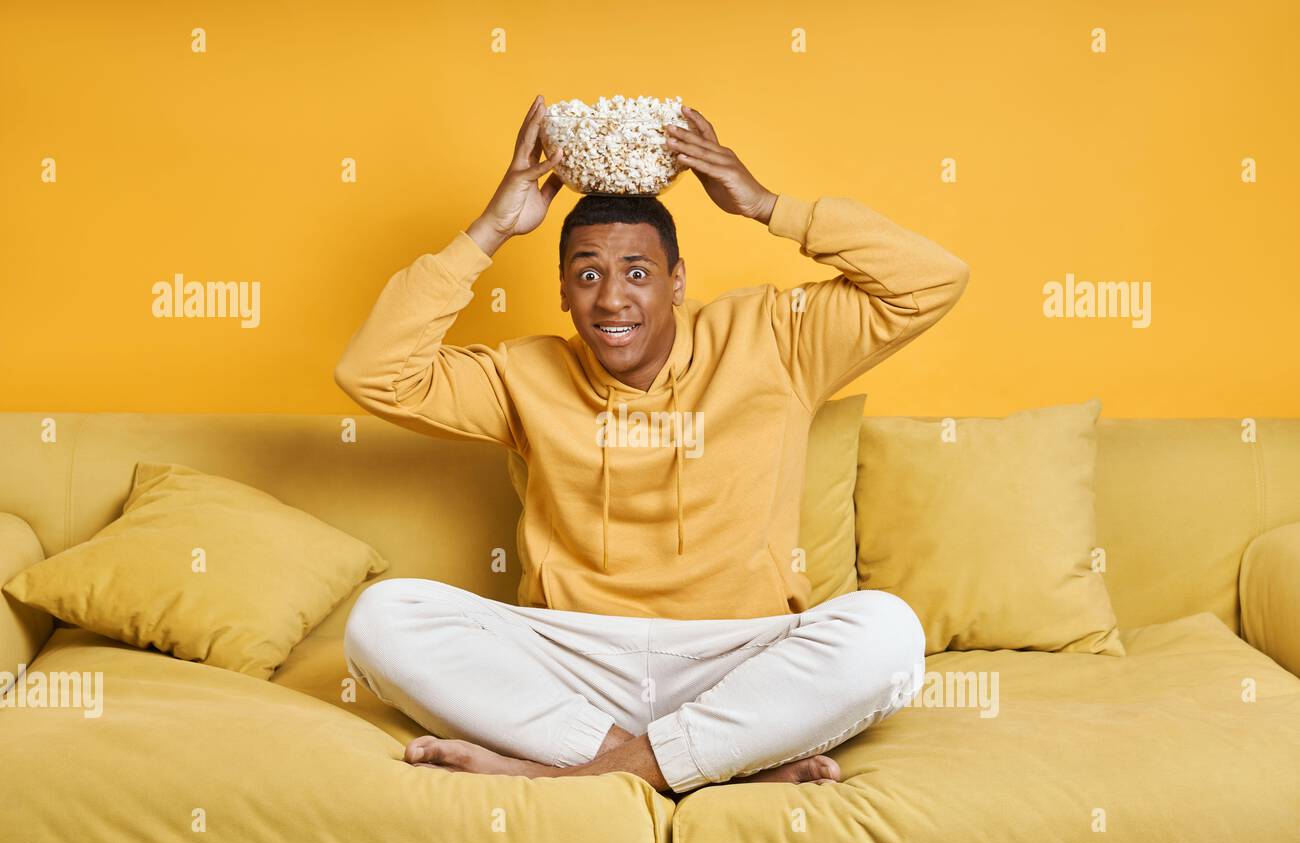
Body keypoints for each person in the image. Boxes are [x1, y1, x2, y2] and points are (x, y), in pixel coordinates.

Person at [333, 94, 970, 794]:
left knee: (887, 633)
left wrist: (766, 206)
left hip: (736, 657)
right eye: (587, 275)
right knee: (382, 621)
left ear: (677, 281)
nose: (612, 300)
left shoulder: (778, 339)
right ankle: (699, 764)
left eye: (637, 272)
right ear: (565, 293)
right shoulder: (525, 375)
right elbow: (374, 374)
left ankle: (572, 771)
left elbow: (932, 280)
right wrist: (488, 231)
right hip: (575, 659)